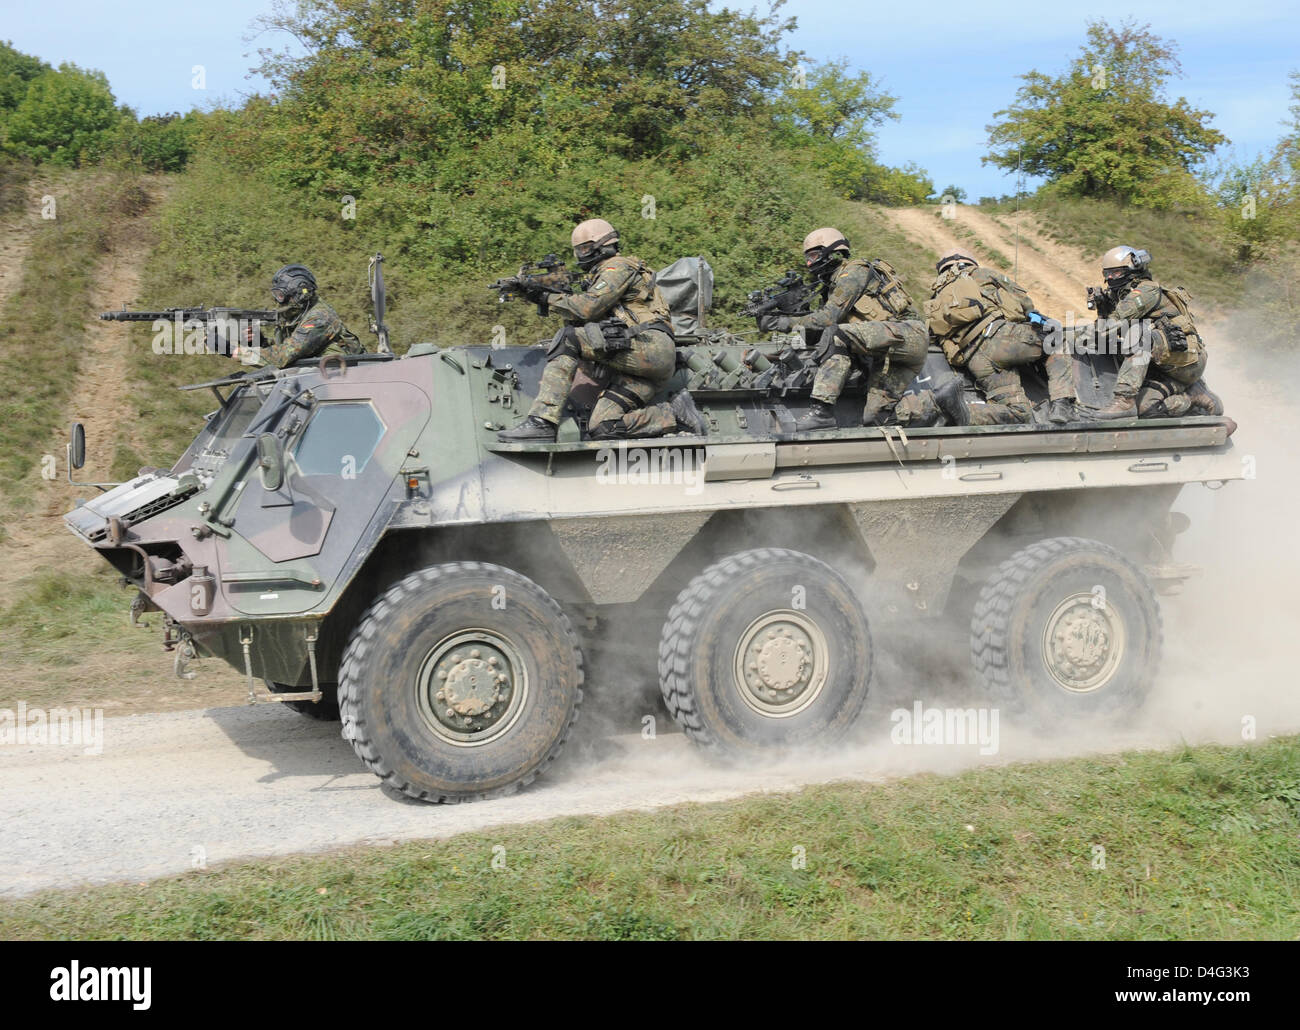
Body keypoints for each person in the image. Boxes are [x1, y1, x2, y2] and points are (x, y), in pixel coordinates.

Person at [498, 219, 704, 441]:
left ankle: (542, 421)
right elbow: (584, 317)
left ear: (604, 245)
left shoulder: (618, 266)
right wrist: (541, 294)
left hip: (650, 349)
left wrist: (546, 297)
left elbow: (587, 308)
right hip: (642, 366)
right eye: (578, 250)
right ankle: (675, 414)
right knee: (602, 427)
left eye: (585, 248)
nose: (581, 255)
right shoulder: (602, 275)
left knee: (568, 340)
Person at [757, 227, 936, 430]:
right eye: (807, 257)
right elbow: (816, 335)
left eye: (814, 255)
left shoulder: (854, 272)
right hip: (887, 348)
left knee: (837, 335)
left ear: (832, 252)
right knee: (874, 418)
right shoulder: (831, 287)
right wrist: (790, 313)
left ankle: (822, 412)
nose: (809, 263)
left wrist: (781, 323)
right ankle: (940, 403)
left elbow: (826, 321)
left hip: (909, 335)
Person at [923, 249, 1076, 426]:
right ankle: (1062, 405)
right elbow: (1025, 304)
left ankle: (963, 412)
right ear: (970, 262)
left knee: (1017, 412)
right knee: (1056, 339)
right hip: (1000, 337)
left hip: (974, 358)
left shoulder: (936, 297)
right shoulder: (981, 274)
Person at [1084, 246, 1222, 419]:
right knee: (1146, 409)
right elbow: (1106, 338)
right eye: (1107, 274)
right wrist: (1103, 308)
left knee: (1139, 337)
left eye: (1116, 273)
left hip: (1186, 361)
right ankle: (1193, 396)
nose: (1110, 278)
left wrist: (1068, 336)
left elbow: (1108, 326)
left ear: (1133, 270)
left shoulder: (1146, 291)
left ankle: (1124, 400)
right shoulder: (1122, 295)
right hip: (1164, 367)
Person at [233, 264, 365, 368]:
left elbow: (282, 357)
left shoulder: (319, 318)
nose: (279, 301)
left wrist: (232, 351)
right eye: (277, 295)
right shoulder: (298, 316)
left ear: (300, 294)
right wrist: (258, 342)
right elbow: (286, 351)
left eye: (281, 295)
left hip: (347, 378)